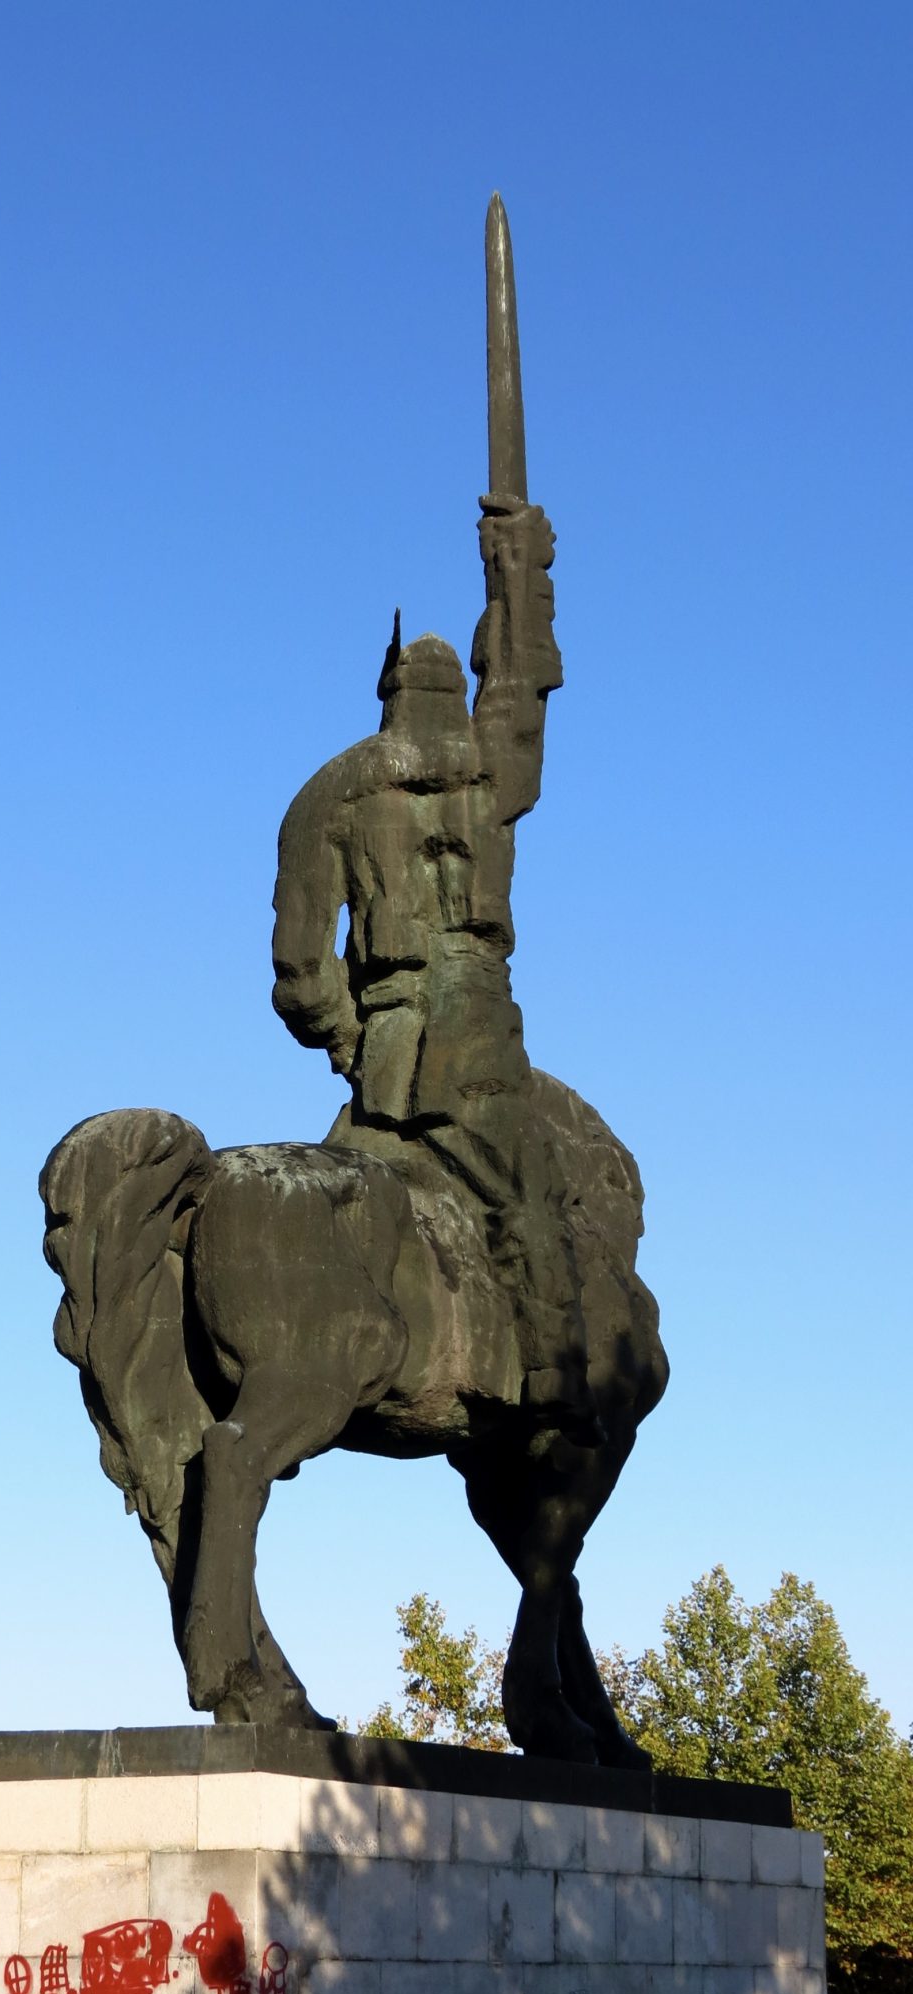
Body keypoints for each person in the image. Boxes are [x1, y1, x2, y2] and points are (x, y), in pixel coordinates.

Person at [271, 499, 600, 1441]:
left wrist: (346, 1037)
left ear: (382, 694)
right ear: (455, 692)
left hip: (382, 1053)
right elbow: (524, 682)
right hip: (472, 1036)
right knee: (525, 1195)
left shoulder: (325, 793)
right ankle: (552, 1375)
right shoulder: (486, 766)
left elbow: (299, 966)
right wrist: (519, 573)